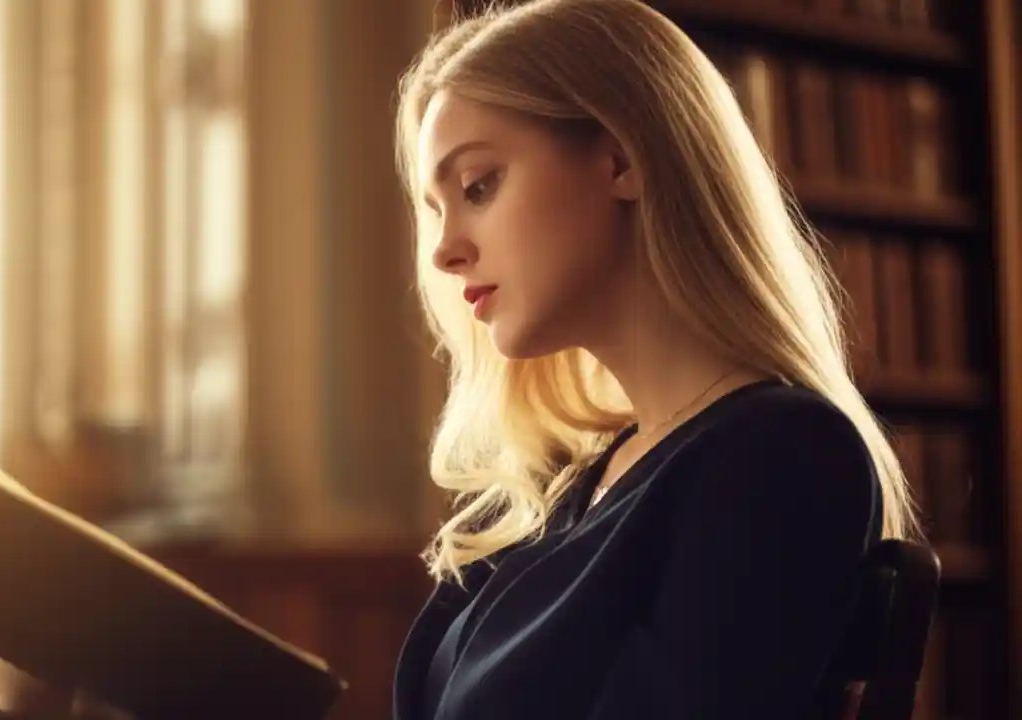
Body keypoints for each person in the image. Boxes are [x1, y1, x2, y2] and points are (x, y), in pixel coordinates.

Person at [390, 1, 924, 718]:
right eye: (436, 207)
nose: (442, 250)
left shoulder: (779, 457)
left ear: (621, 160)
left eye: (479, 186)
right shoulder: (560, 490)